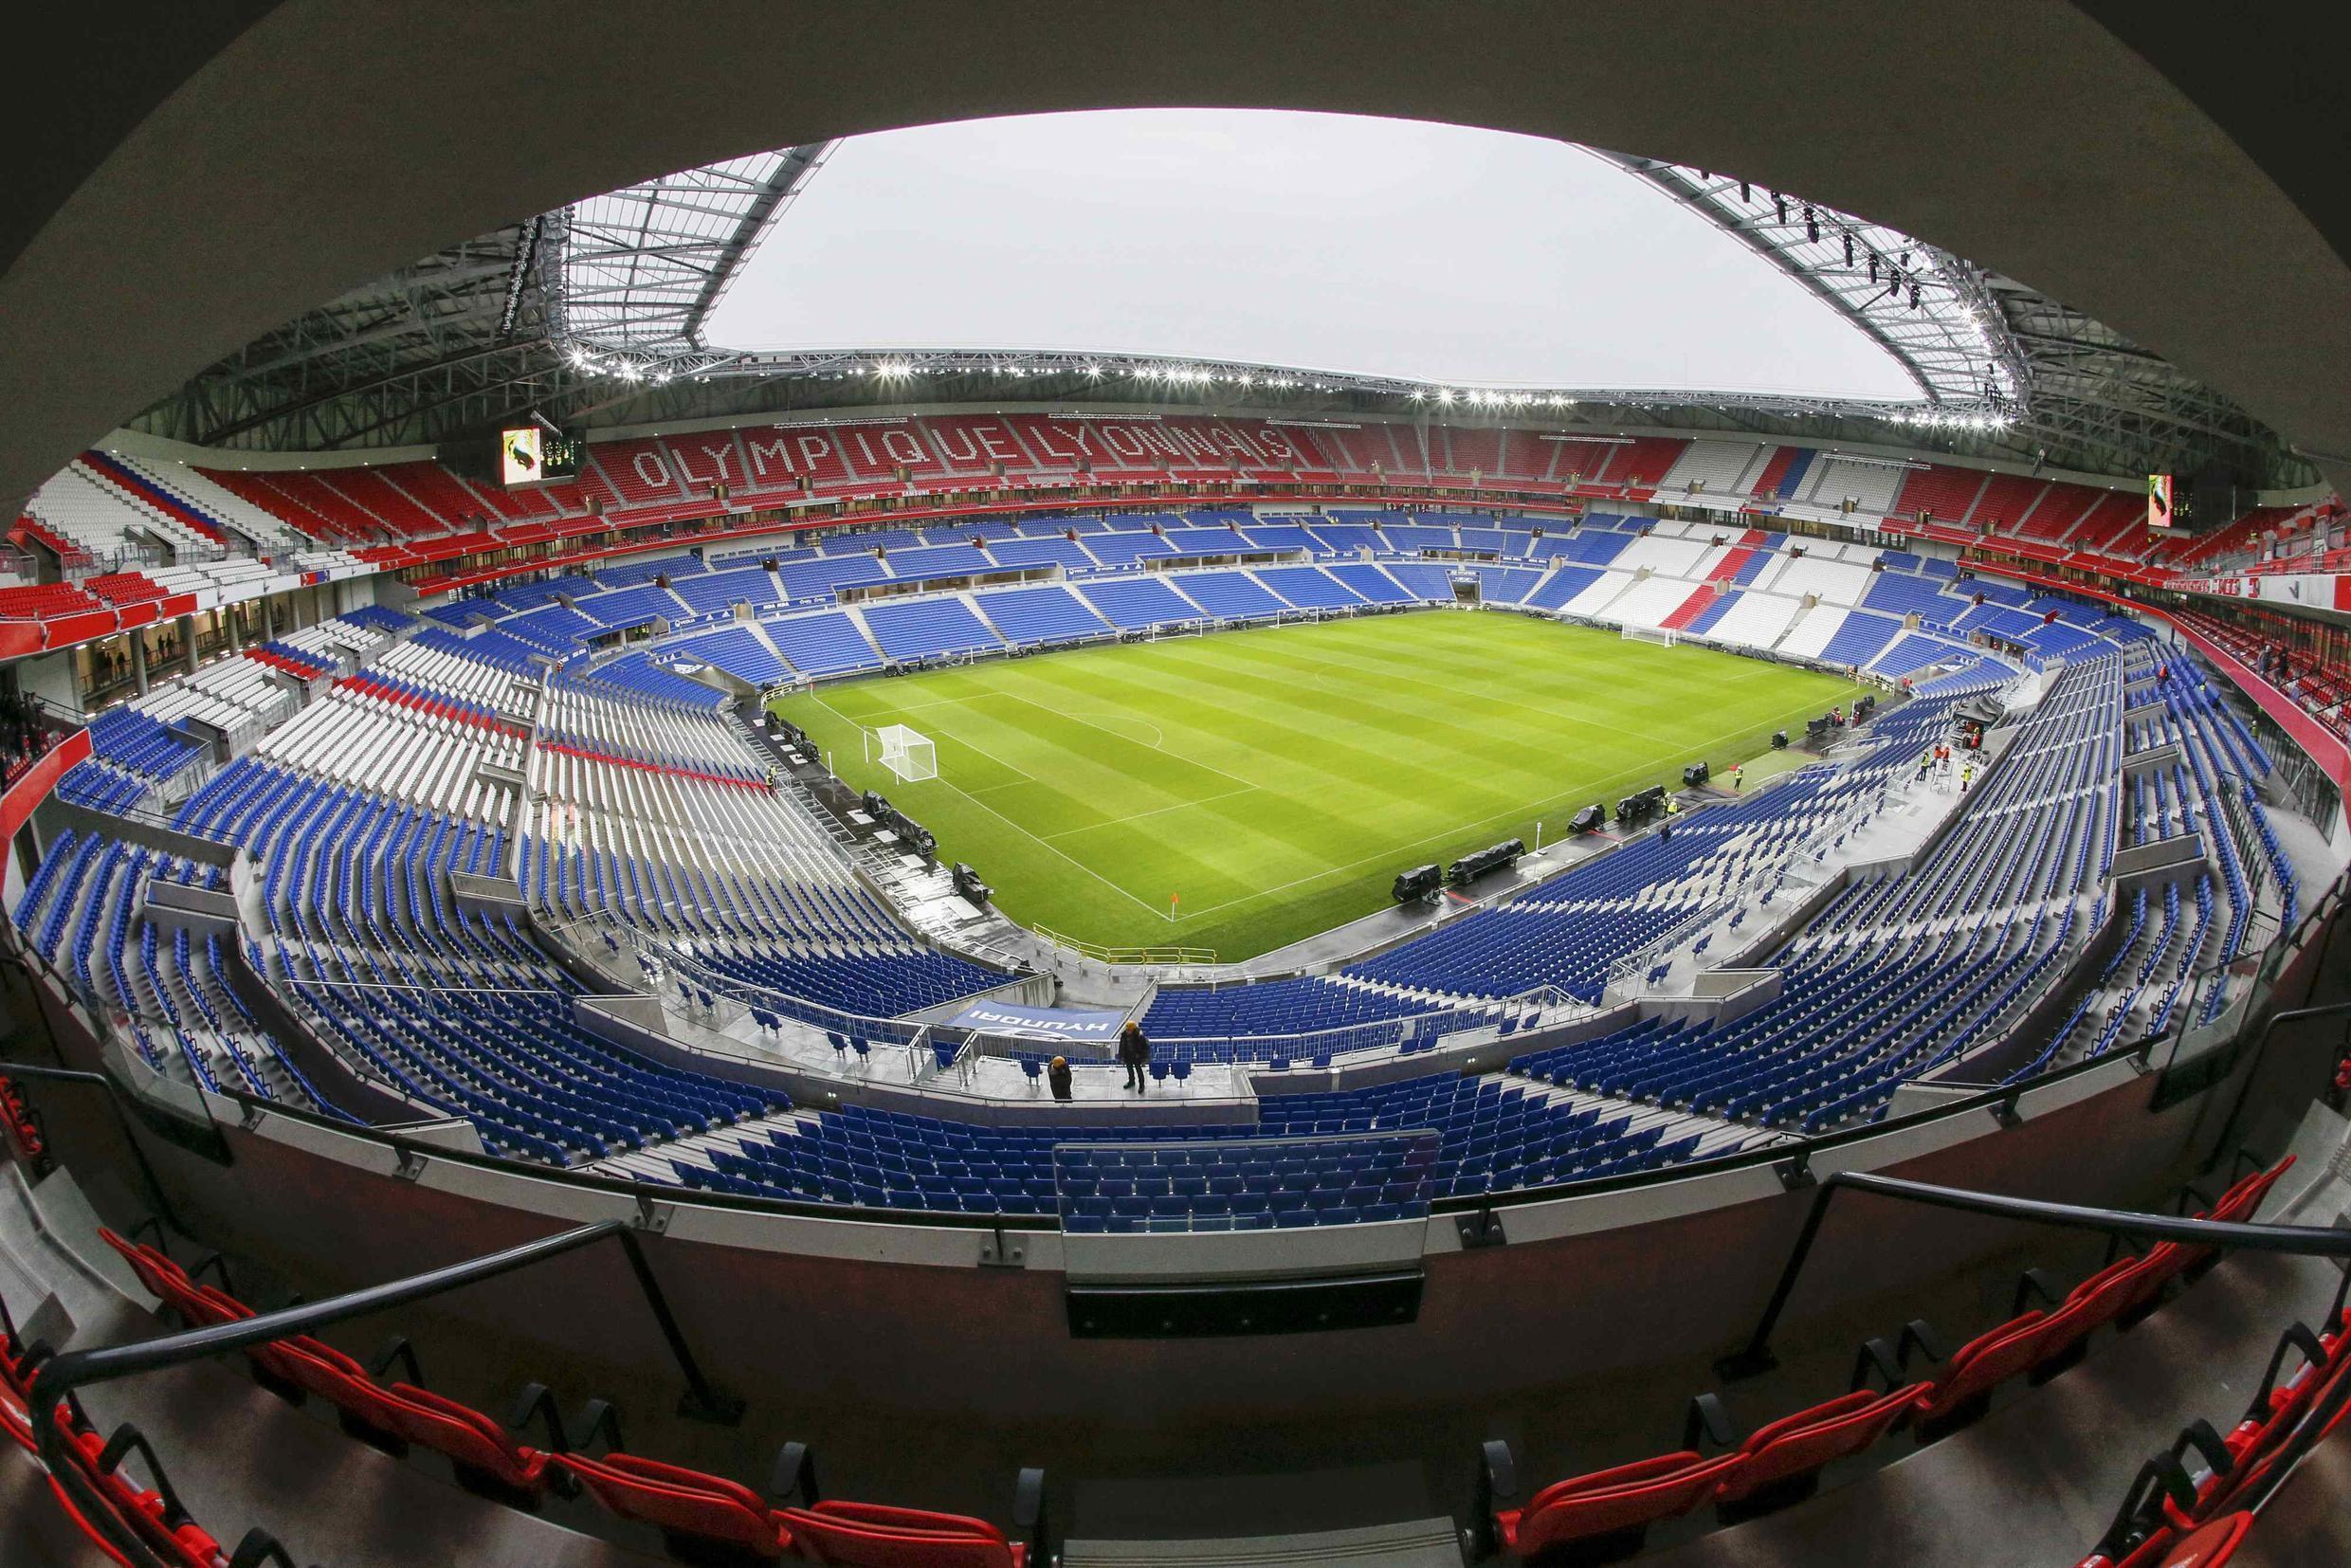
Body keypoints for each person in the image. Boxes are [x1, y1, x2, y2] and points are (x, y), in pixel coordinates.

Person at [1118, 1020, 1151, 1094]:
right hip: (1128, 1056)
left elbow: (1145, 1047)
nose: (1127, 1031)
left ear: (1133, 1029)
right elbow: (1121, 1046)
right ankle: (1131, 1082)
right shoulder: (1124, 1035)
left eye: (1129, 1030)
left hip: (1137, 1057)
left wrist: (1142, 1057)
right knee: (1130, 1070)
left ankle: (1141, 1085)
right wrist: (1122, 1057)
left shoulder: (1139, 1036)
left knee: (1139, 1071)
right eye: (1127, 1029)